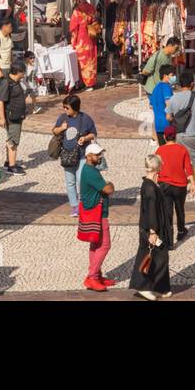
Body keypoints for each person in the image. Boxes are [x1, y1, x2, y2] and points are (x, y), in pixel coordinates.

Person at [130, 154, 172, 300]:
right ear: (157, 167)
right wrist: (153, 232)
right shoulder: (150, 188)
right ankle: (143, 286)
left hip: (153, 226)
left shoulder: (150, 184)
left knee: (159, 257)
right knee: (149, 255)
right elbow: (151, 210)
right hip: (151, 228)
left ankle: (160, 287)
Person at [78, 142, 115, 292]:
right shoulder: (91, 172)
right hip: (98, 213)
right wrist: (110, 184)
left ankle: (97, 274)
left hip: (93, 211)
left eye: (100, 154)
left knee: (95, 244)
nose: (100, 157)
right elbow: (107, 189)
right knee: (105, 245)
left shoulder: (88, 169)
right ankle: (92, 277)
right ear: (88, 156)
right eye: (97, 154)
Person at [53, 95, 97, 216]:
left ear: (75, 108)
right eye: (64, 107)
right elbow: (54, 131)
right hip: (67, 154)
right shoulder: (63, 118)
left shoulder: (86, 119)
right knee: (70, 182)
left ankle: (84, 203)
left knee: (81, 180)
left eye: (67, 108)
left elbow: (93, 134)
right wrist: (61, 128)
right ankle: (75, 206)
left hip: (82, 155)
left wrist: (85, 137)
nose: (65, 110)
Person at [166, 72, 195, 195]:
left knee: (184, 159)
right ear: (192, 84)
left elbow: (168, 117)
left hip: (179, 135)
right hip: (194, 133)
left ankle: (186, 183)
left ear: (179, 84)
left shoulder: (173, 98)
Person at [156, 125, 193, 240]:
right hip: (180, 185)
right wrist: (193, 184)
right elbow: (188, 169)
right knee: (179, 208)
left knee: (167, 212)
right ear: (175, 136)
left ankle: (169, 240)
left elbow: (156, 168)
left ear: (165, 137)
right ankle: (181, 231)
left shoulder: (159, 150)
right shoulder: (182, 149)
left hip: (164, 185)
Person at [0, 61, 28, 174]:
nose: (24, 75)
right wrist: (2, 118)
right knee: (13, 142)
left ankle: (7, 162)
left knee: (11, 139)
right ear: (18, 72)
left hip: (17, 116)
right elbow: (0, 101)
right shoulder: (6, 83)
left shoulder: (15, 82)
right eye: (23, 72)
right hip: (12, 117)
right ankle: (12, 166)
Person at [68, 0, 99, 89]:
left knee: (82, 61)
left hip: (81, 38)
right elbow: (95, 21)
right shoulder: (92, 8)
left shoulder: (77, 10)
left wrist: (73, 42)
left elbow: (73, 28)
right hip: (90, 36)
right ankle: (91, 83)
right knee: (90, 59)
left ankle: (83, 82)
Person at [149, 64, 176, 145]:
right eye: (172, 75)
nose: (174, 77)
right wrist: (171, 117)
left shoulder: (155, 88)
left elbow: (151, 106)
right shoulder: (166, 87)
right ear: (165, 75)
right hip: (167, 124)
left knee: (163, 151)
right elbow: (168, 104)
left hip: (158, 124)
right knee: (170, 151)